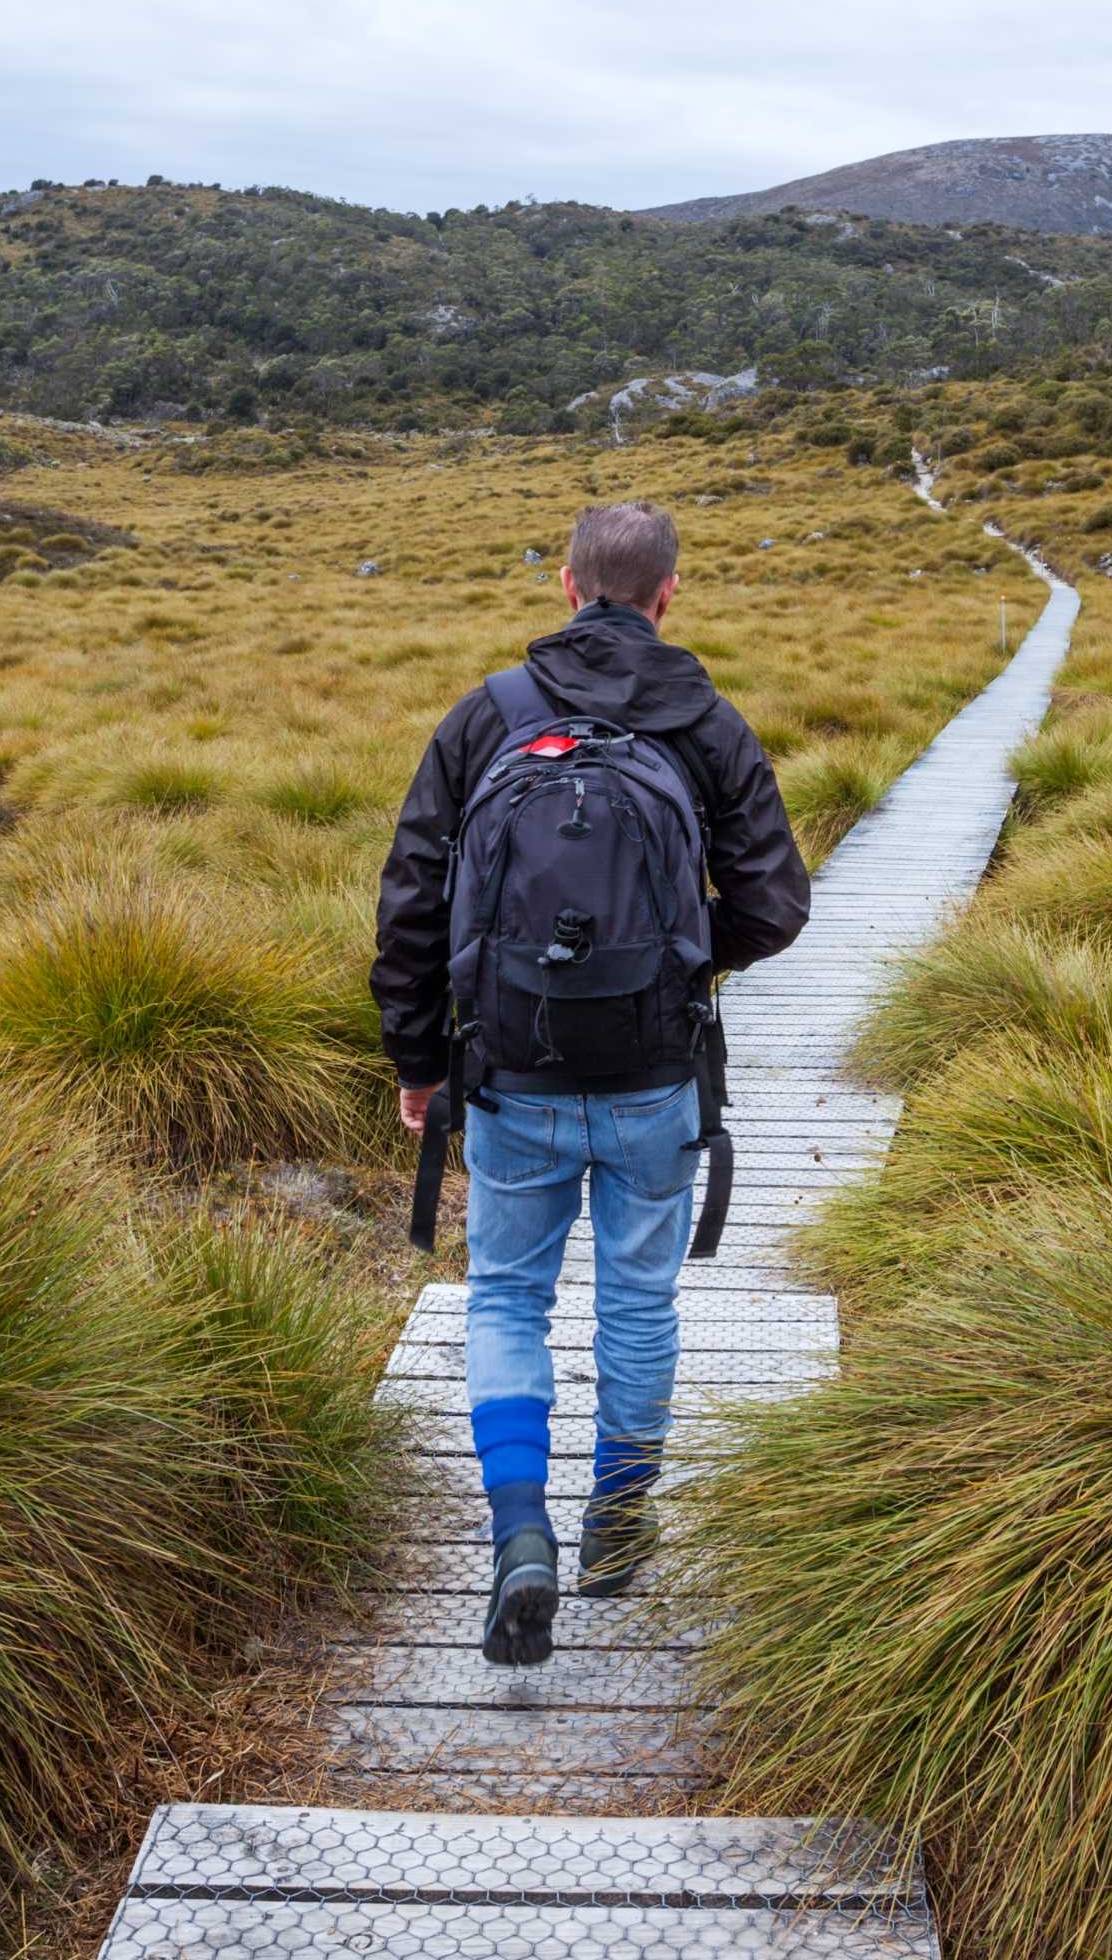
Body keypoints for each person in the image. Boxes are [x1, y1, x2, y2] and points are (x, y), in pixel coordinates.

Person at [373, 501, 810, 1666]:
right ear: (670, 592)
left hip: (510, 1069)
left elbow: (413, 895)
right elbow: (775, 906)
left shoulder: (489, 715)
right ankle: (617, 1521)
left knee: (508, 1297)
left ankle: (522, 1529)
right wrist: (674, 955)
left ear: (569, 586)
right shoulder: (706, 722)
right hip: (654, 1073)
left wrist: (420, 1061)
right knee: (638, 1301)